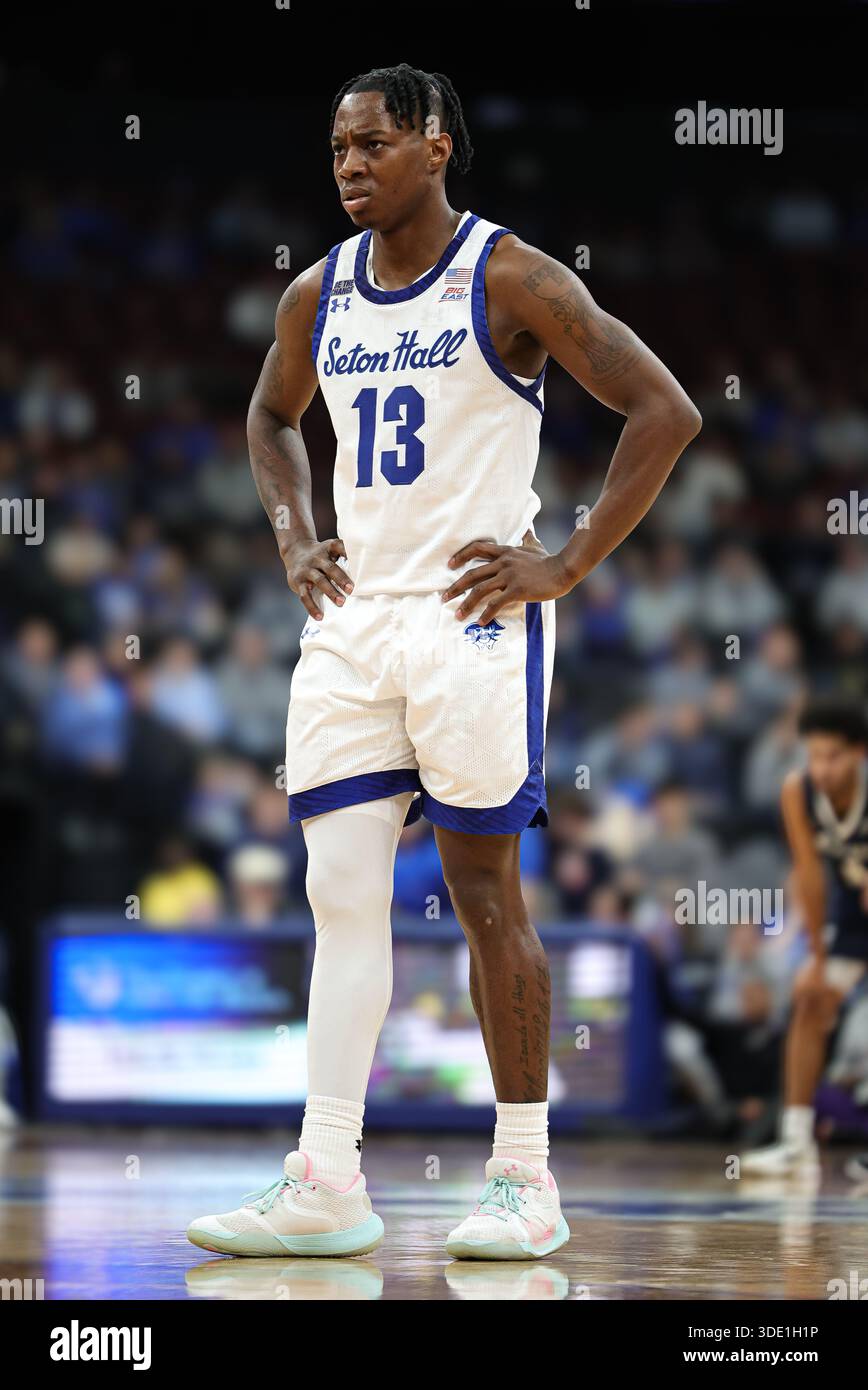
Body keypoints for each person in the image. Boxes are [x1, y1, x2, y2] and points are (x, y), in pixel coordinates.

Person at [187, 62, 700, 1260]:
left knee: (483, 896)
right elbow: (269, 419)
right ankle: (326, 1177)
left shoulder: (512, 274)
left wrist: (564, 563)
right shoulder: (316, 295)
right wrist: (294, 536)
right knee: (339, 896)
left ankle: (525, 1177)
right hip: (357, 619)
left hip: (476, 613)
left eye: (371, 144)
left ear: (433, 146)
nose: (350, 167)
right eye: (334, 152)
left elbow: (663, 408)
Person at [742, 697, 868, 1175]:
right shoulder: (798, 792)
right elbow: (811, 877)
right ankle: (797, 1145)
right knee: (809, 998)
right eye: (813, 755)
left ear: (859, 753)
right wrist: (816, 954)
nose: (821, 768)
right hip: (852, 915)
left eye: (832, 756)